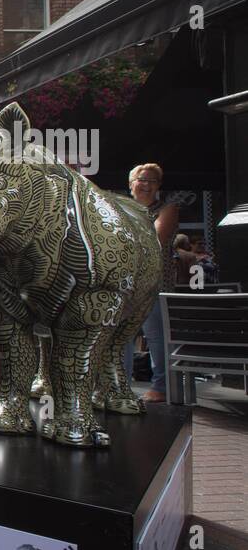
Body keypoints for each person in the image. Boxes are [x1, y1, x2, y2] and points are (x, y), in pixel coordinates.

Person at [122, 163, 178, 403]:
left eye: (152, 180)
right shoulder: (120, 208)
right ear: (131, 184)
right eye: (141, 179)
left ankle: (161, 388)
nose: (146, 184)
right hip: (124, 286)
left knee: (156, 337)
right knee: (121, 338)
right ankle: (119, 387)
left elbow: (154, 238)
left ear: (159, 186)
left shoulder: (168, 208)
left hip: (155, 285)